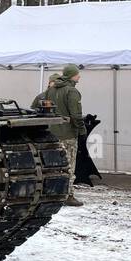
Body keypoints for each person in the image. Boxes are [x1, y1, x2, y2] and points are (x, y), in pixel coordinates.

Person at [47, 65, 87, 206]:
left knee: (53, 166)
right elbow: (76, 115)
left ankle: (53, 193)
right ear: (72, 75)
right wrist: (82, 130)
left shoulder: (51, 90)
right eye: (77, 74)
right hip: (68, 134)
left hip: (52, 134)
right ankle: (68, 195)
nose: (79, 76)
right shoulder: (72, 91)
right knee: (69, 166)